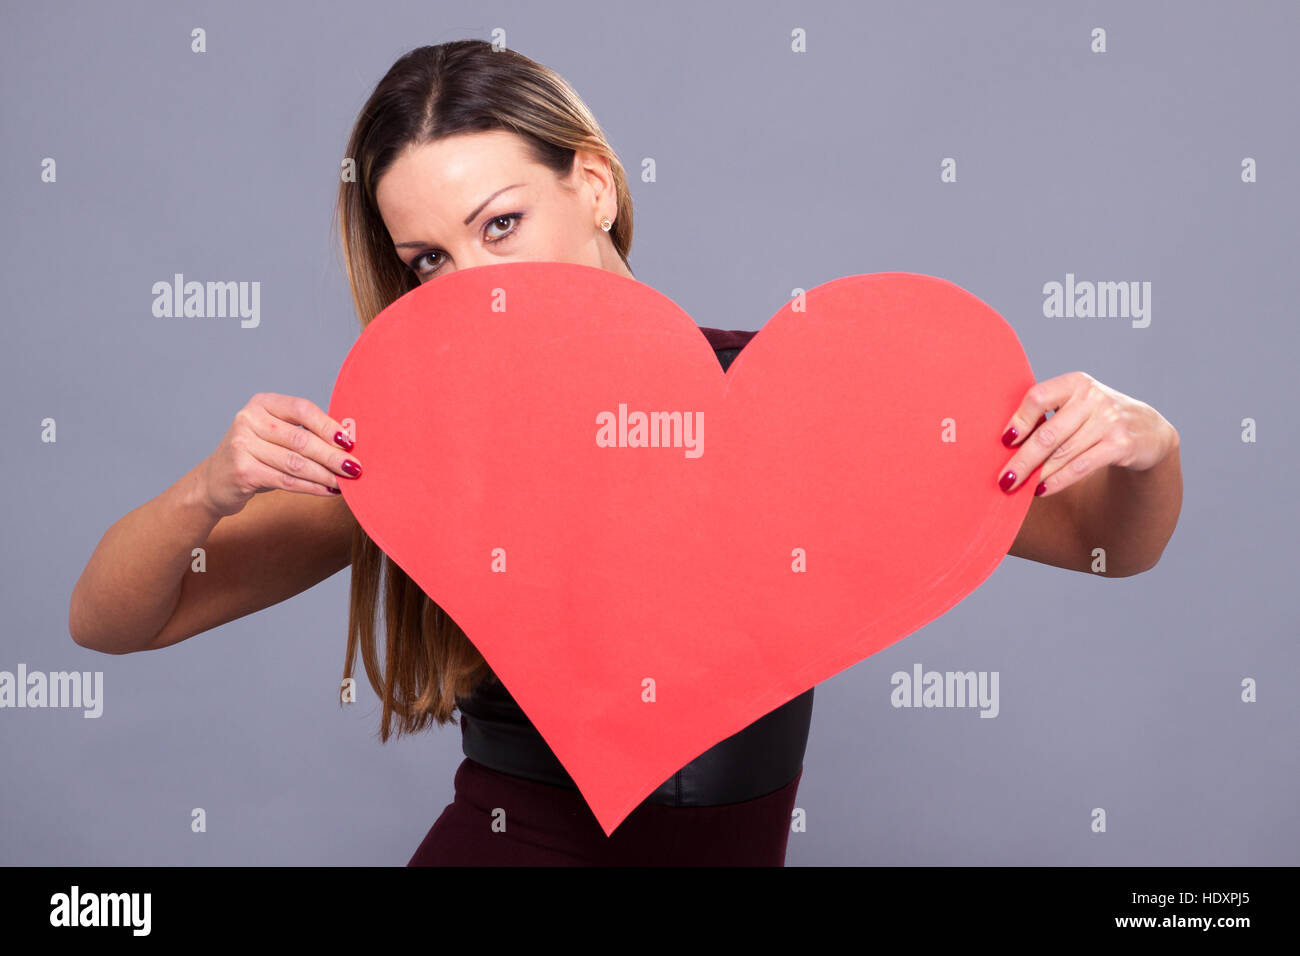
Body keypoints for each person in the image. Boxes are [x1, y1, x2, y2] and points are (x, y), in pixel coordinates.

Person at [68, 39, 1184, 866]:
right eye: (428, 260)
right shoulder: (410, 452)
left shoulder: (792, 405)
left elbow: (1104, 547)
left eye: (499, 224)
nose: (476, 285)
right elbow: (115, 620)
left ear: (590, 185)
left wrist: (1145, 443)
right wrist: (207, 490)